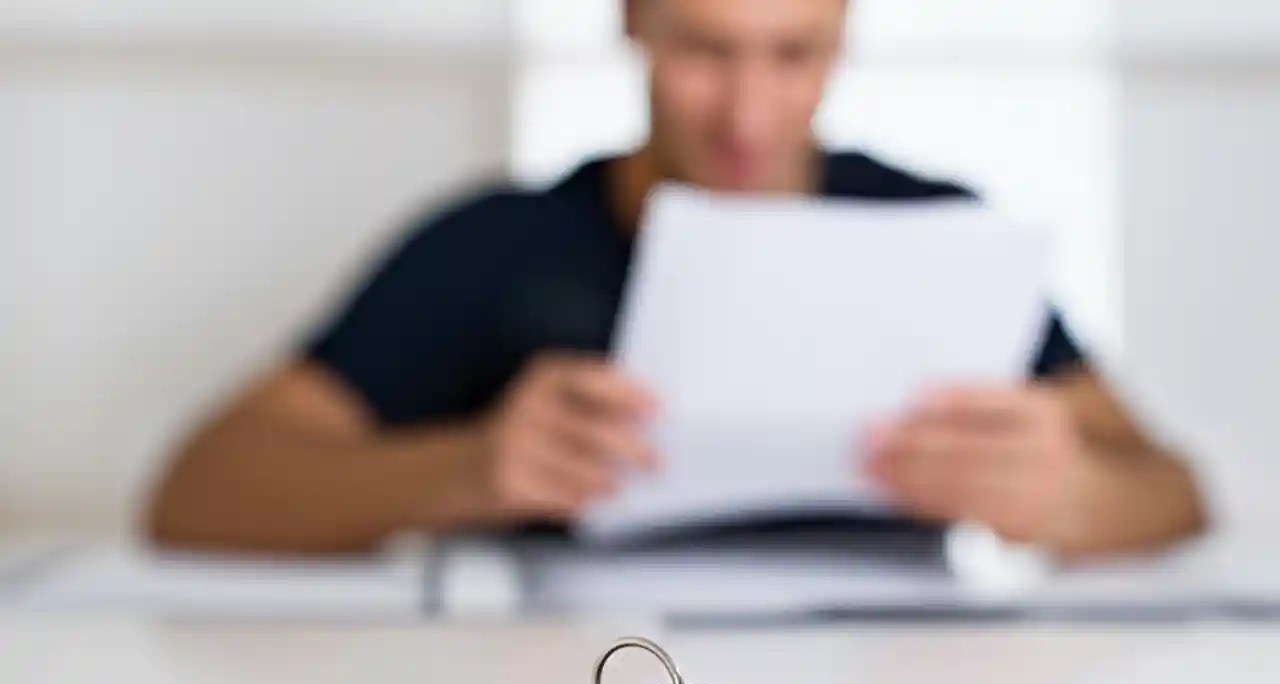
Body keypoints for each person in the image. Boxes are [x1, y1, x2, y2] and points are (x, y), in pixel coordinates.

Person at [147, 0, 1206, 556]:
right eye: (703, 49)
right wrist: (465, 471)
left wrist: (1070, 498)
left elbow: (1170, 488)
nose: (746, 117)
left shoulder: (934, 234)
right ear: (630, 22)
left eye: (793, 54)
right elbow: (199, 491)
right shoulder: (495, 246)